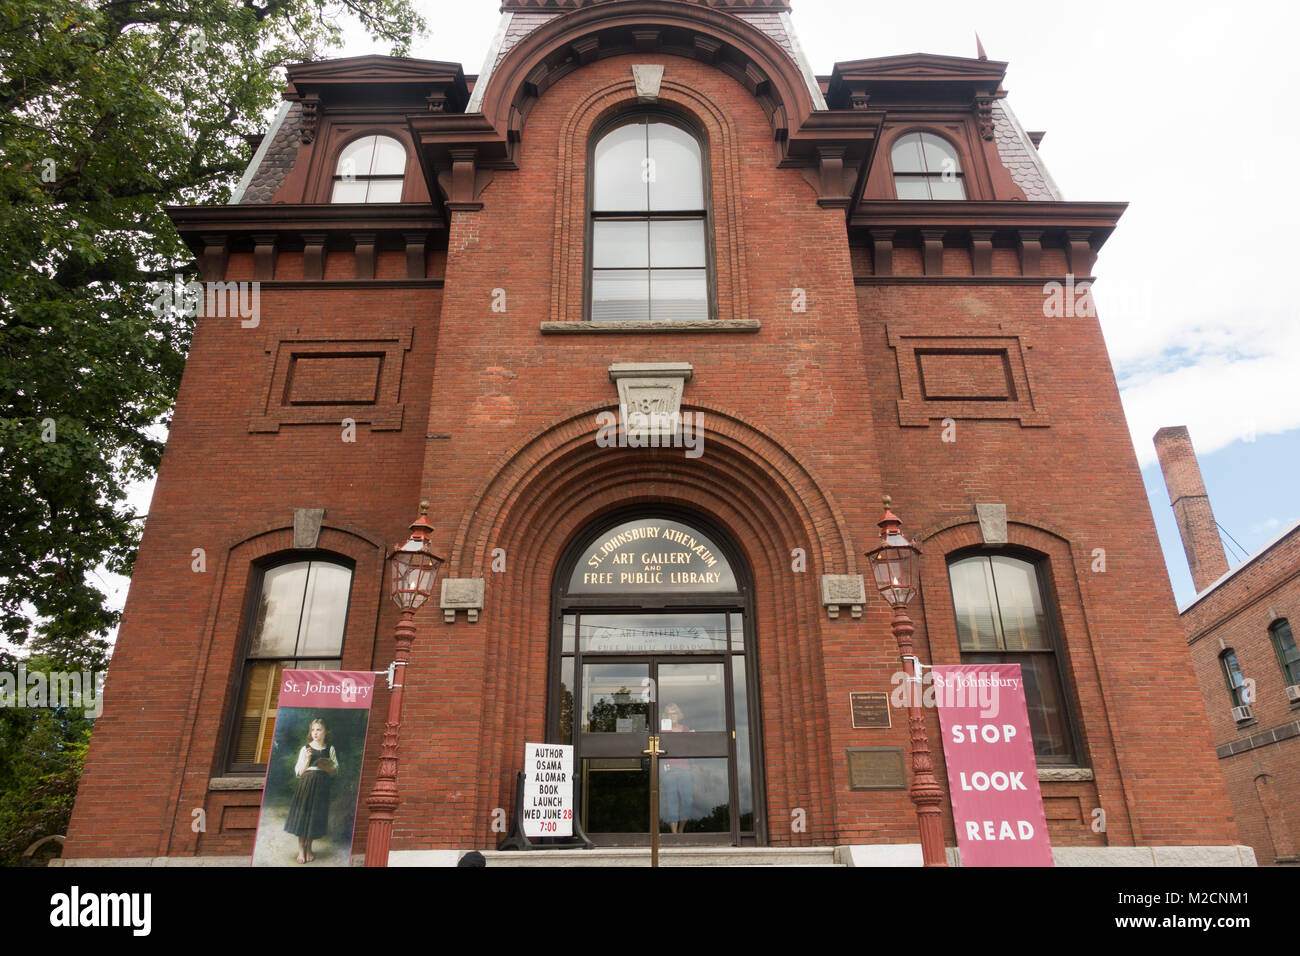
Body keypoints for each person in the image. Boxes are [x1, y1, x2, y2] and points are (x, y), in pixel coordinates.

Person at [284, 717, 338, 863]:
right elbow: (299, 772)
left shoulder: (330, 749)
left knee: (314, 817)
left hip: (321, 786)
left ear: (325, 732)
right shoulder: (306, 748)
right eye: (313, 730)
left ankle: (309, 847)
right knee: (304, 816)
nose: (315, 732)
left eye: (319, 729)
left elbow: (334, 770)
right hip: (307, 785)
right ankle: (301, 849)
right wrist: (308, 759)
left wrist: (327, 767)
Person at [659, 703, 693, 834]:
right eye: (668, 713)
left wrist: (692, 735)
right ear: (665, 716)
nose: (672, 716)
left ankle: (681, 830)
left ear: (679, 715)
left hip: (684, 768)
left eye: (674, 713)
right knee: (672, 799)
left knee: (687, 800)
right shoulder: (664, 730)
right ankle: (674, 834)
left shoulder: (685, 729)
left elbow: (691, 747)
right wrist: (665, 728)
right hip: (669, 769)